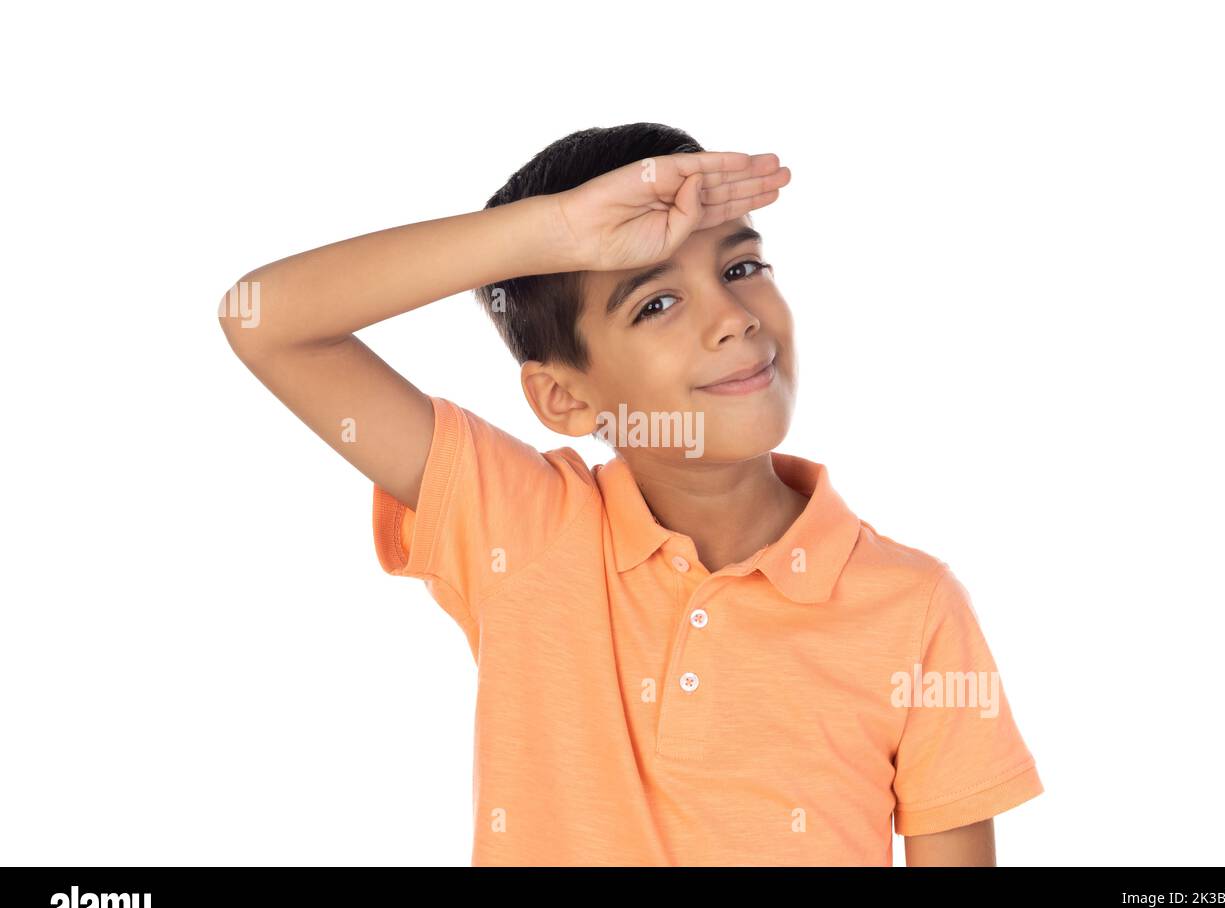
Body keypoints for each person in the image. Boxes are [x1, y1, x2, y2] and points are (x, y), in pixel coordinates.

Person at [219, 122, 1044, 866]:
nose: (732, 317)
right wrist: (551, 233)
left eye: (743, 266)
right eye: (656, 302)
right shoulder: (523, 530)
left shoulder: (915, 608)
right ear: (565, 399)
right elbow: (265, 322)